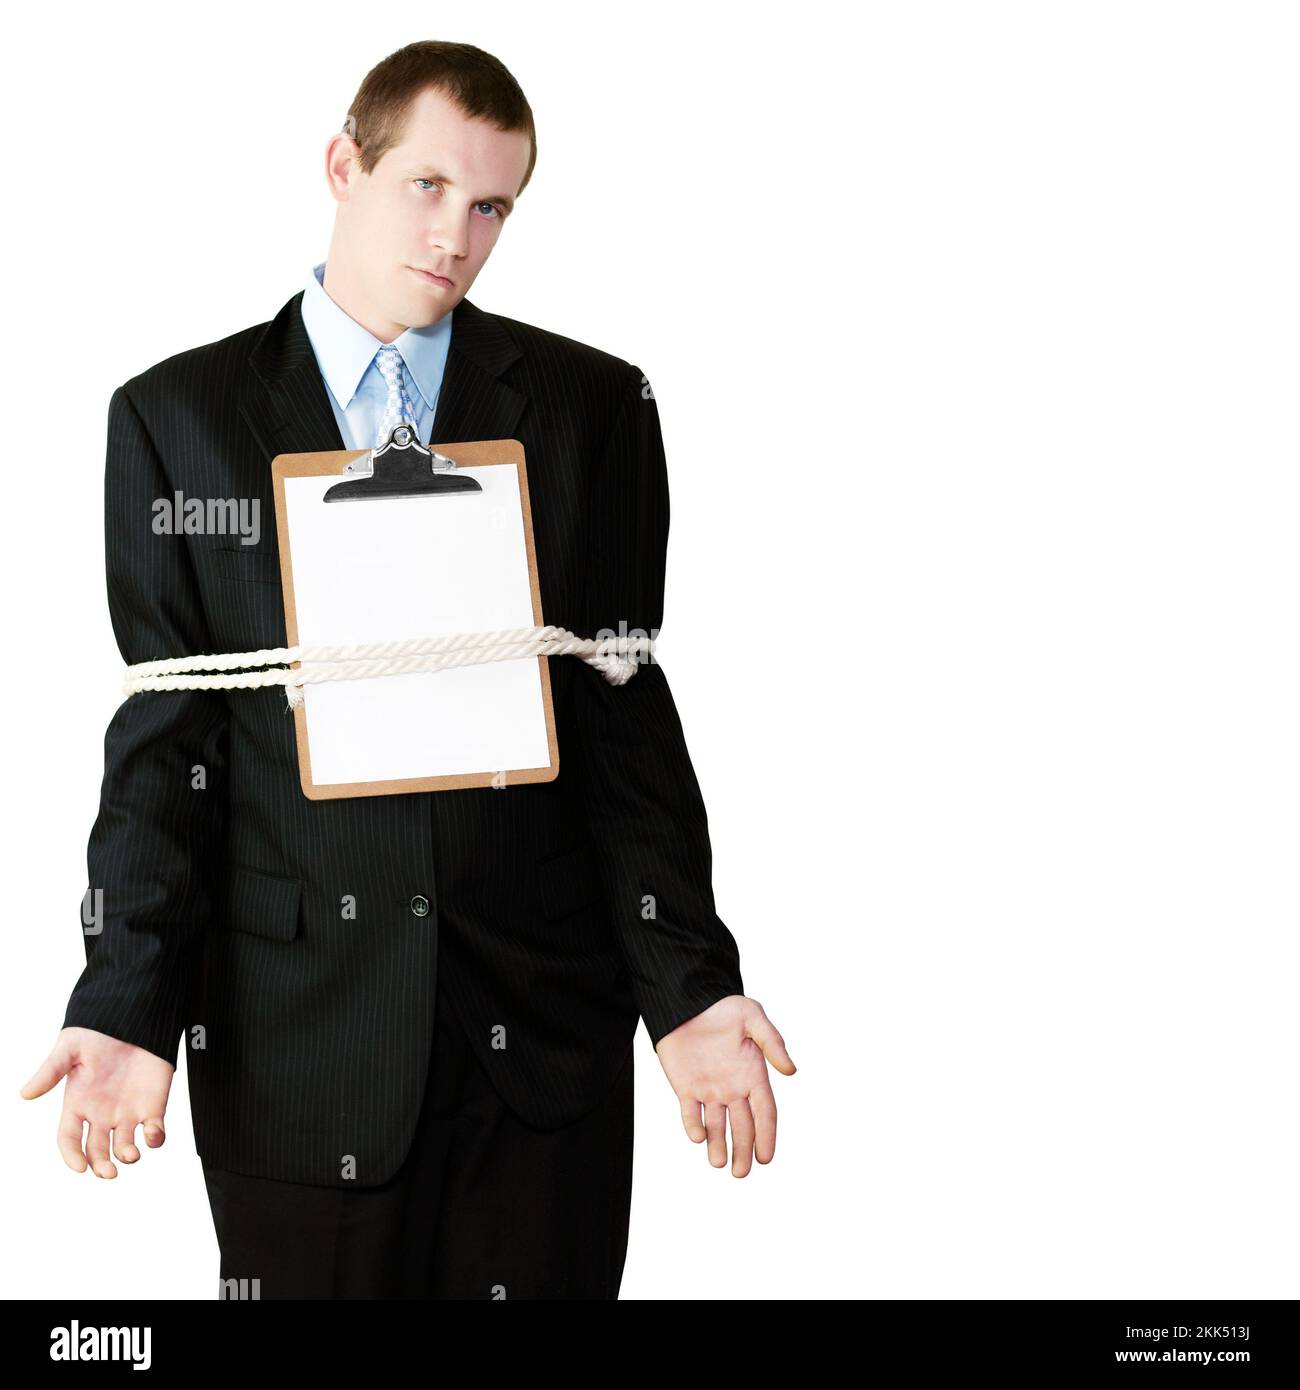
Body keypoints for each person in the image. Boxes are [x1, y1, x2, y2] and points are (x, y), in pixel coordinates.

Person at [21, 39, 794, 1300]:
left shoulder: (593, 407)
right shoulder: (178, 417)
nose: (456, 236)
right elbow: (169, 747)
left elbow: (626, 728)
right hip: (295, 1040)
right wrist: (123, 998)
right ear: (345, 164)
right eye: (427, 187)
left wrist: (693, 988)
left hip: (538, 1043)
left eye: (491, 205)